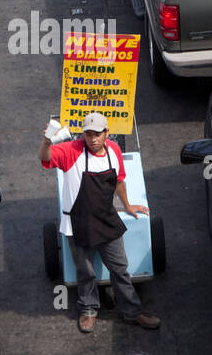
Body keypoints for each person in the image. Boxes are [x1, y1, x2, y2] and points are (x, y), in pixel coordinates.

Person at [40, 113, 160, 334]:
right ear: (83, 134)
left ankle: (132, 312)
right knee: (85, 272)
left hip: (106, 219)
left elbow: (119, 181)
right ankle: (88, 310)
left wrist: (128, 205)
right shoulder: (71, 151)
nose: (93, 139)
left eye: (97, 134)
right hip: (77, 224)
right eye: (88, 134)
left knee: (120, 268)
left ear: (106, 133)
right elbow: (46, 158)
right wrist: (47, 142)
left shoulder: (113, 150)